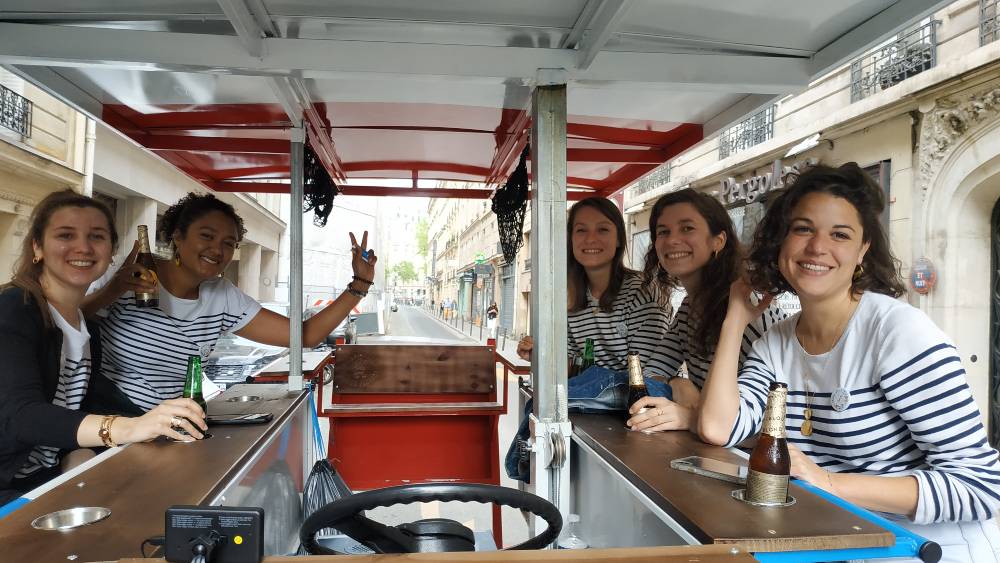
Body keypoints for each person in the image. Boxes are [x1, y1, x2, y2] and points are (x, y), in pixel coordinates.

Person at [697, 164, 1000, 561]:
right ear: (781, 241)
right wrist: (735, 320)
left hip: (927, 549)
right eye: (803, 229)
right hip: (839, 544)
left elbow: (980, 487)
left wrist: (828, 482)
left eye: (839, 234)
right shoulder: (776, 343)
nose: (817, 247)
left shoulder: (897, 333)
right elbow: (719, 428)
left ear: (862, 250)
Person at [0, 190, 207, 506]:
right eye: (65, 235)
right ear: (37, 247)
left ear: (111, 253)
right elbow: (21, 416)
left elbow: (70, 420)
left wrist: (79, 459)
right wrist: (129, 427)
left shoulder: (87, 329)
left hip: (39, 482)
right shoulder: (13, 310)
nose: (83, 247)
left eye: (96, 236)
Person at [84, 192, 377, 412]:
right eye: (207, 236)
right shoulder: (129, 275)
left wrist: (359, 284)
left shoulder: (222, 295)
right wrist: (112, 290)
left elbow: (305, 336)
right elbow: (67, 323)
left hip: (171, 426)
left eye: (228, 243)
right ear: (178, 236)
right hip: (113, 419)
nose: (217, 250)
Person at [626, 189, 786, 433]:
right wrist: (677, 383)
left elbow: (769, 421)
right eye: (663, 232)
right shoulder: (689, 308)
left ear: (718, 241)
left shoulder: (747, 306)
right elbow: (651, 373)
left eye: (687, 228)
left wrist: (691, 417)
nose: (672, 240)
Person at [515, 197, 671, 374]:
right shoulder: (567, 296)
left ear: (619, 239)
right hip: (582, 391)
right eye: (581, 230)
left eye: (602, 229)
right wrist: (540, 356)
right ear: (571, 239)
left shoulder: (642, 292)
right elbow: (573, 367)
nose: (590, 239)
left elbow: (647, 376)